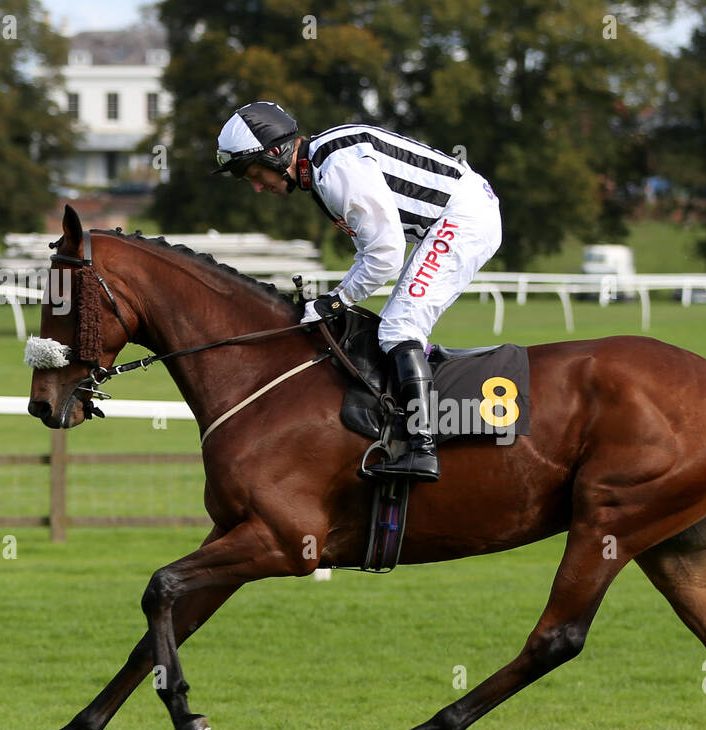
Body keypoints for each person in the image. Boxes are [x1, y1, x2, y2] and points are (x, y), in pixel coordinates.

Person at [212, 101, 502, 482]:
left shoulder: (334, 171)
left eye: (253, 173)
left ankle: (423, 449)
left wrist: (337, 298)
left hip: (463, 219)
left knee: (400, 328)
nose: (256, 187)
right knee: (396, 327)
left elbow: (384, 255)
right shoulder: (322, 164)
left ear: (275, 153)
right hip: (455, 215)